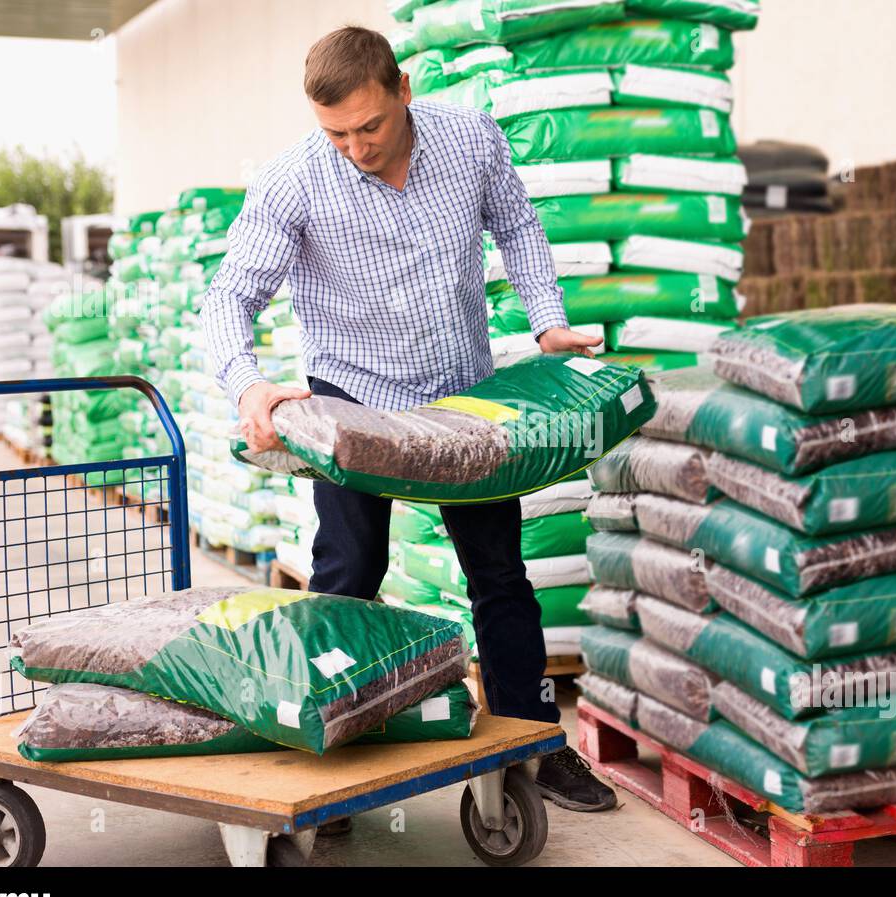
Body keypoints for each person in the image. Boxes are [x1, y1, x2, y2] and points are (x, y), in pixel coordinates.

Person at [201, 25, 617, 812]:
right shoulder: (294, 180)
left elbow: (519, 225)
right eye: (335, 133)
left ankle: (533, 745)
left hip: (460, 395)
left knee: (498, 575)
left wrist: (546, 320)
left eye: (369, 126)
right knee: (350, 578)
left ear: (404, 91)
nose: (354, 147)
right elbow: (230, 297)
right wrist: (249, 385)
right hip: (352, 400)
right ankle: (331, 760)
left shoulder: (471, 139)